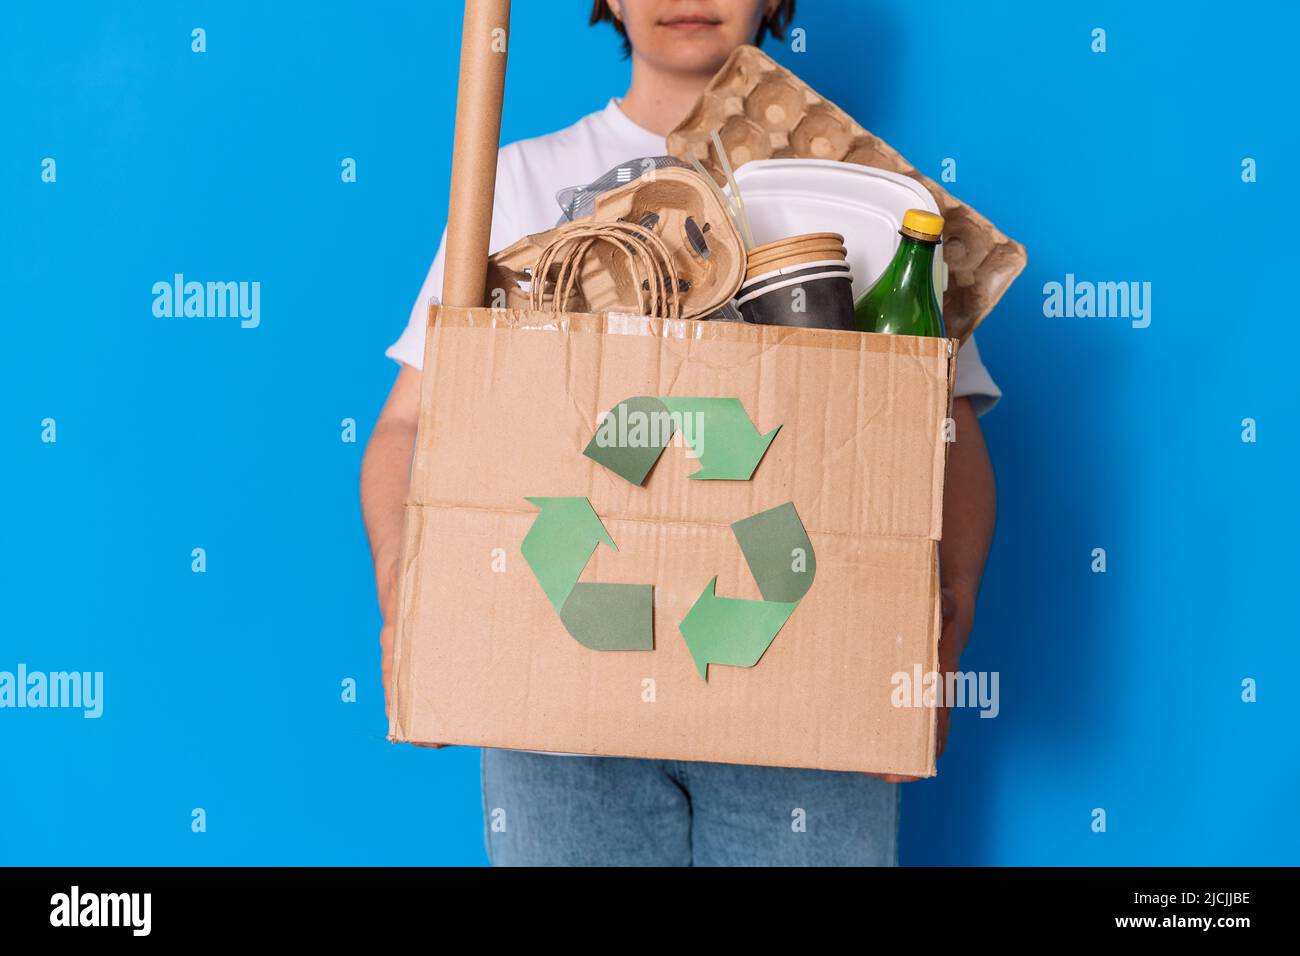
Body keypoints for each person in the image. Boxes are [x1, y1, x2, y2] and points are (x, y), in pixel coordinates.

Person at [361, 0, 998, 866]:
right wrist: (409, 603)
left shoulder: (866, 198)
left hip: (808, 692)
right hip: (560, 701)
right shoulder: (510, 184)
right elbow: (407, 423)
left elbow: (942, 429)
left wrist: (940, 629)